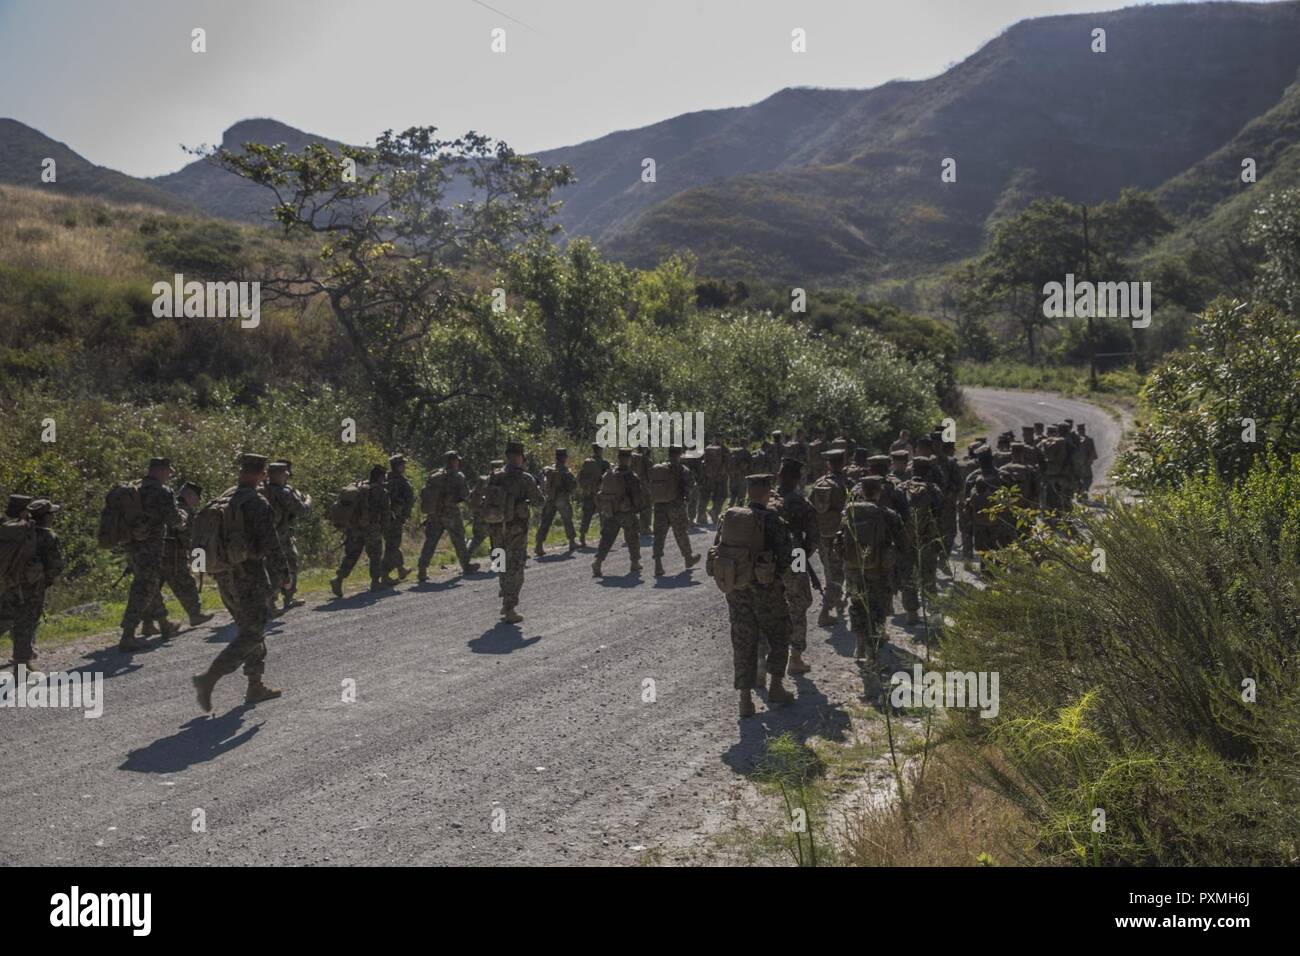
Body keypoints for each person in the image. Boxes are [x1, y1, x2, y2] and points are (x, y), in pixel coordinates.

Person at [191, 454, 290, 712]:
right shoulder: (256, 503)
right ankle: (209, 679)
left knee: (250, 627)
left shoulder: (226, 497)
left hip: (223, 575)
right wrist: (284, 574)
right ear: (262, 474)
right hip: (249, 577)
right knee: (253, 632)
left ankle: (255, 684)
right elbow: (271, 544)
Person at [715, 473, 796, 717]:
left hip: (736, 590)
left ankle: (745, 700)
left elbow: (719, 549)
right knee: (780, 633)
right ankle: (775, 687)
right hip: (766, 592)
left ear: (748, 491)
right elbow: (785, 559)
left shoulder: (727, 518)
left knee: (742, 641)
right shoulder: (774, 521)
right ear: (768, 492)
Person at [120, 457, 185, 653]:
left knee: (149, 584)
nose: (168, 476)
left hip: (132, 546)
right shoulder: (161, 492)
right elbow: (174, 520)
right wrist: (183, 517)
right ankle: (128, 634)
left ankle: (164, 624)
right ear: (161, 470)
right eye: (168, 472)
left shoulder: (136, 488)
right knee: (143, 588)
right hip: (150, 548)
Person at [839, 477, 905, 659]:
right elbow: (902, 543)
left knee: (857, 605)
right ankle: (872, 651)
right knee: (877, 609)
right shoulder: (888, 514)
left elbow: (839, 541)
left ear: (861, 492)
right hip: (879, 571)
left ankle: (859, 644)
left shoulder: (849, 513)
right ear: (879, 491)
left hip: (853, 569)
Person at [0, 498, 64, 672]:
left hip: (9, 583)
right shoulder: (48, 535)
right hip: (32, 587)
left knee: (3, 620)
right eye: (52, 513)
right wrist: (45, 581)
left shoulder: (18, 531)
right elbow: (55, 566)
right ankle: (22, 666)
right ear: (47, 516)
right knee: (25, 624)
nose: (54, 517)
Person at [486, 441, 544, 623]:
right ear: (519, 457)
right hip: (515, 529)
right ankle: (509, 607)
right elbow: (539, 502)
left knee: (500, 562)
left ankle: (504, 592)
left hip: (495, 527)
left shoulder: (494, 476)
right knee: (517, 566)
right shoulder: (524, 478)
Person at [146, 480, 214, 630]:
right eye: (196, 498)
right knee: (186, 585)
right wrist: (199, 564)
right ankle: (195, 614)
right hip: (174, 557)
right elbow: (191, 539)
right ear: (189, 495)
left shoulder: (167, 505)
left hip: (154, 554)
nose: (197, 502)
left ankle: (148, 623)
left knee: (151, 589)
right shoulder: (184, 511)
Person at [771, 458, 816, 674]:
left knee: (767, 604)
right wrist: (803, 552)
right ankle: (795, 658)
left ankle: (762, 665)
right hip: (795, 555)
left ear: (779, 476)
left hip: (766, 559)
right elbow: (813, 535)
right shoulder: (800, 501)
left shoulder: (766, 497)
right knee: (799, 602)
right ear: (797, 479)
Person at [418, 451, 480, 581]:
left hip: (435, 513)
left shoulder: (434, 475)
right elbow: (465, 495)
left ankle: (422, 570)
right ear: (454, 461)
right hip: (451, 513)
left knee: (430, 542)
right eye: (457, 460)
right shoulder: (458, 476)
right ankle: (466, 566)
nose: (458, 462)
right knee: (459, 539)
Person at [331, 464, 392, 596]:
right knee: (375, 555)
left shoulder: (359, 488)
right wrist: (385, 528)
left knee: (352, 555)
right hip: (372, 529)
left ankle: (338, 579)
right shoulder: (381, 492)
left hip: (354, 528)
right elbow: (386, 513)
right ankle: (375, 582)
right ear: (381, 477)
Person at [812, 448, 852, 626]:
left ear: (828, 463)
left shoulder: (819, 483)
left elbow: (811, 508)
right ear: (843, 463)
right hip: (839, 535)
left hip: (822, 534)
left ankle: (835, 602)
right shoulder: (846, 484)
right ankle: (825, 612)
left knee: (829, 570)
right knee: (838, 575)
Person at [263, 463, 311, 610]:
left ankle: (272, 600)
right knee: (290, 564)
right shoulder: (284, 492)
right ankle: (286, 598)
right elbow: (301, 510)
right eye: (285, 473)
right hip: (281, 536)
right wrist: (308, 500)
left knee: (270, 567)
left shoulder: (261, 490)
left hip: (263, 536)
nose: (288, 475)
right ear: (279, 474)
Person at [592, 449, 644, 577]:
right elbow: (637, 497)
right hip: (626, 512)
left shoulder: (609, 474)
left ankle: (598, 562)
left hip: (610, 511)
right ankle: (635, 562)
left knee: (607, 538)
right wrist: (638, 508)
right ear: (628, 459)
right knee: (632, 537)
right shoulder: (631, 476)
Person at [650, 445, 701, 577]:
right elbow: (691, 484)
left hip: (660, 506)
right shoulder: (681, 469)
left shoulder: (659, 468)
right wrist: (687, 496)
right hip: (676, 506)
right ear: (679, 454)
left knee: (659, 535)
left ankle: (657, 565)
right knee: (681, 533)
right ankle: (688, 558)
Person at [536, 448, 579, 556]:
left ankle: (539, 545)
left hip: (550, 498)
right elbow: (573, 485)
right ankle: (572, 542)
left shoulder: (548, 470)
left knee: (545, 521)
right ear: (564, 458)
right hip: (562, 499)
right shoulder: (565, 471)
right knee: (567, 520)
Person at [382, 453, 415, 582]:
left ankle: (401, 569)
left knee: (392, 544)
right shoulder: (402, 482)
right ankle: (384, 574)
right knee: (392, 546)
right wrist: (405, 515)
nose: (405, 466)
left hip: (384, 518)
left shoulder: (385, 479)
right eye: (403, 464)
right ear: (398, 466)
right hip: (396, 518)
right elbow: (409, 500)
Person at [576, 444, 610, 549]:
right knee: (603, 516)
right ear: (600, 450)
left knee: (587, 516)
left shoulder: (587, 463)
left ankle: (582, 538)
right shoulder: (604, 463)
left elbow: (580, 477)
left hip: (589, 493)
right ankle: (604, 539)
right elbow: (609, 478)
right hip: (600, 493)